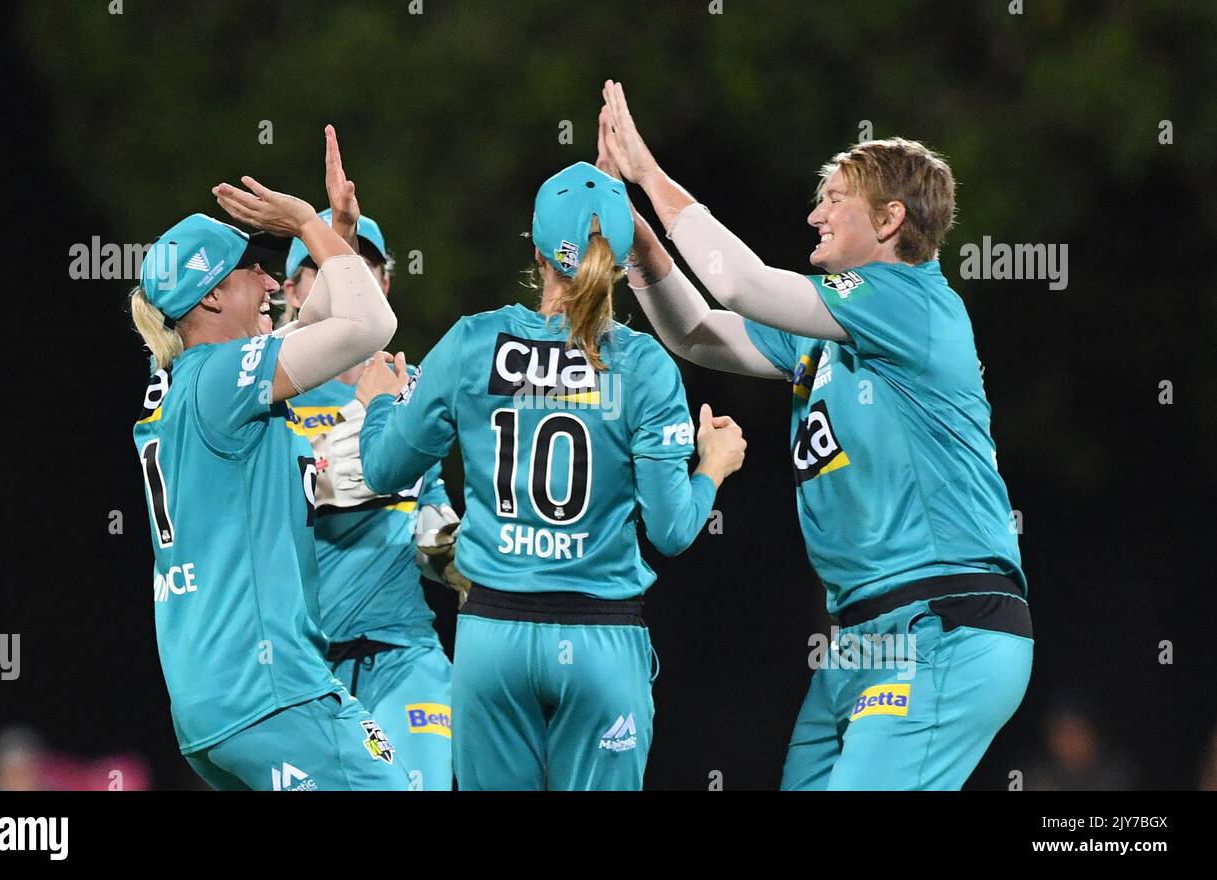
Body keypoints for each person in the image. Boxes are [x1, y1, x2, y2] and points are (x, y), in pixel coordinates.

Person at [599, 79, 1032, 790]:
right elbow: (700, 335)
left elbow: (736, 283)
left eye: (835, 199)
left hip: (940, 623)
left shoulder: (911, 299)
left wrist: (647, 177)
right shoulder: (833, 330)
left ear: (891, 219)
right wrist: (638, 240)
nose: (814, 215)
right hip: (862, 638)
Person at [348, 159, 747, 790]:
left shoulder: (473, 344)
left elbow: (382, 469)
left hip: (493, 640)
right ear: (621, 261)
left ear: (535, 247)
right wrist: (713, 470)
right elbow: (672, 530)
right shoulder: (644, 365)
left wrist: (376, 402)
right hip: (599, 642)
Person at [130, 125, 408, 791]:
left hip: (209, 705)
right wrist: (303, 225)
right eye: (250, 269)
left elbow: (316, 325)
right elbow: (372, 327)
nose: (269, 280)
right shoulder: (223, 379)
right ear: (210, 297)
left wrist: (333, 231)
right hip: (271, 692)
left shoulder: (185, 383)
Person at [279, 209, 461, 791]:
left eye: (358, 265)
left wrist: (480, 562)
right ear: (292, 292)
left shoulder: (416, 390)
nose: (340, 277)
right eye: (321, 265)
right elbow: (315, 490)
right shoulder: (265, 394)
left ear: (381, 285)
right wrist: (374, 414)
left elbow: (430, 527)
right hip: (301, 669)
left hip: (405, 654)